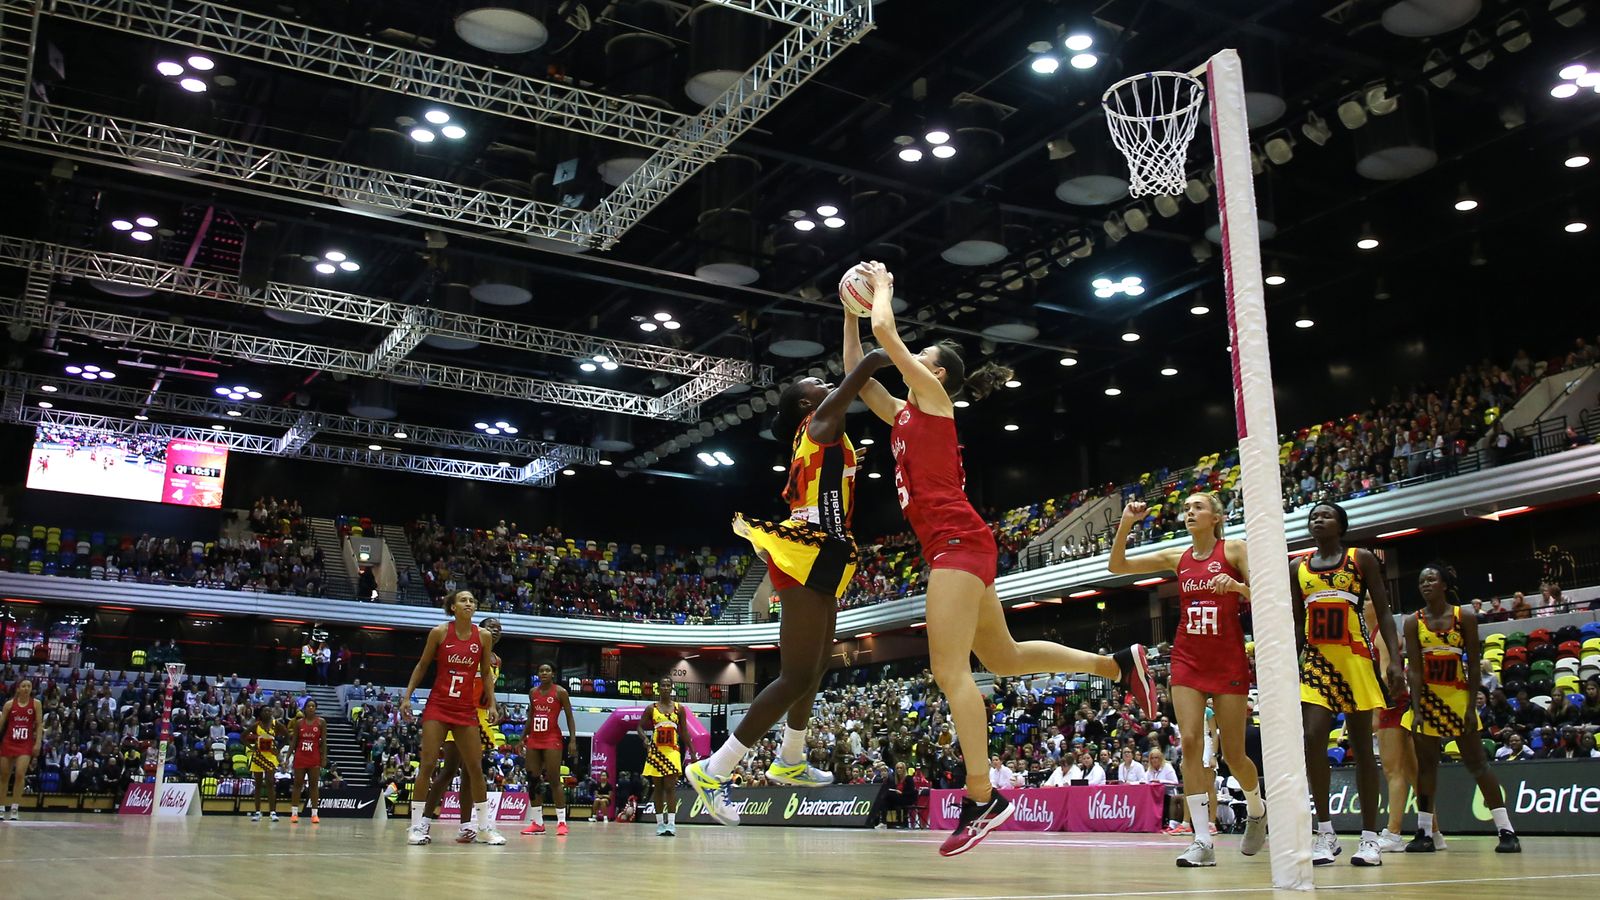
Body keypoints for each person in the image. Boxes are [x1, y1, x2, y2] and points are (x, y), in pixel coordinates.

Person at [845, 260, 1156, 857]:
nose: (913, 359)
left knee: (949, 672)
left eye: (922, 355)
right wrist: (847, 312)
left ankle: (982, 794)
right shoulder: (905, 415)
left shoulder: (934, 397)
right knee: (1003, 655)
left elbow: (887, 338)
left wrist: (883, 289)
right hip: (962, 542)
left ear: (934, 372)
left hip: (957, 543)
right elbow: (860, 375)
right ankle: (1115, 665)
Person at [687, 346, 894, 825]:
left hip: (828, 550)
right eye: (818, 387)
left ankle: (791, 758)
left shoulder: (820, 434)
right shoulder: (822, 422)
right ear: (808, 405)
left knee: (817, 666)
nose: (826, 386)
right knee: (795, 674)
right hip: (807, 549)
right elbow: (853, 381)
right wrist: (882, 353)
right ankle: (715, 769)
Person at [1108, 494, 1268, 867]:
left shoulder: (1235, 549)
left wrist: (1240, 590)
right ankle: (1201, 841)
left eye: (1198, 507)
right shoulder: (1176, 557)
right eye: (1187, 508)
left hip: (1227, 659)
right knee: (1191, 742)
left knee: (1233, 753)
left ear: (1216, 517)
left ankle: (1258, 809)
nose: (1190, 512)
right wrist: (1127, 524)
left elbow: (1271, 596)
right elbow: (1117, 565)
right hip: (1187, 660)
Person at [1292, 501, 1404, 867]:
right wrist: (1288, 667)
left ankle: (1370, 837)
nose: (1317, 519)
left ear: (1341, 524)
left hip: (1356, 661)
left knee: (1360, 747)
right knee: (1312, 738)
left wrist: (1396, 661)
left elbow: (1384, 611)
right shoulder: (1298, 567)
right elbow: (1296, 624)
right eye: (1313, 516)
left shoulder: (1361, 558)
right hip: (1316, 664)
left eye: (1325, 515)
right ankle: (1325, 831)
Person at [1404, 562, 1520, 854]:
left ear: (1444, 584)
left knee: (1477, 764)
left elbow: (1473, 666)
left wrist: (1471, 707)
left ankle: (1506, 831)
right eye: (1422, 581)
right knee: (1426, 768)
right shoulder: (1412, 621)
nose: (1426, 584)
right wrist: (1416, 709)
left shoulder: (1464, 616)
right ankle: (1423, 833)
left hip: (1458, 699)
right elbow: (1415, 670)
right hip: (1427, 701)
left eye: (1431, 579)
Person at [402, 590, 502, 846]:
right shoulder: (439, 632)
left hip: (465, 709)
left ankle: (483, 827)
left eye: (472, 601)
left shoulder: (484, 636)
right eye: (463, 600)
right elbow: (422, 665)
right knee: (427, 765)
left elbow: (486, 674)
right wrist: (407, 697)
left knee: (475, 768)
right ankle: (417, 826)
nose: (468, 603)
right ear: (453, 607)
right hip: (439, 705)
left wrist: (491, 703)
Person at [1366, 596, 1441, 852]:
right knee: (1412, 772)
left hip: (1392, 705)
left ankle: (1394, 833)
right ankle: (1435, 832)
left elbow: (1388, 678)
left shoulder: (1379, 636)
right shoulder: (1379, 633)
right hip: (1400, 705)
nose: (1363, 604)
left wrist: (1375, 708)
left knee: (1392, 771)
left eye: (1367, 600)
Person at [424, 617, 505, 841]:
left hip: (479, 718)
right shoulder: (470, 651)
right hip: (458, 713)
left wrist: (493, 705)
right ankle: (425, 821)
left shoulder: (496, 660)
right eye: (491, 627)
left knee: (472, 772)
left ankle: (467, 826)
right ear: (481, 629)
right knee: (449, 770)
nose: (495, 631)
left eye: (499, 629)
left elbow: (488, 685)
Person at [522, 662, 577, 836]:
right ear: (538, 673)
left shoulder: (560, 692)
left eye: (547, 670)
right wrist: (522, 736)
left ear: (553, 673)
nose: (544, 673)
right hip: (534, 739)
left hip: (552, 738)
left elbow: (569, 716)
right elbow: (531, 716)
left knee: (554, 780)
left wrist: (573, 740)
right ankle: (537, 823)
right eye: (541, 670)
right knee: (533, 780)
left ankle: (561, 822)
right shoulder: (533, 692)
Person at [639, 676, 688, 836]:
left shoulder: (679, 709)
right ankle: (660, 824)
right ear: (658, 688)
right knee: (658, 788)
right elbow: (639, 727)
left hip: (672, 751)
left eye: (668, 685)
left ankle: (671, 824)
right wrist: (645, 738)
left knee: (670, 788)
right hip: (656, 751)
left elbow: (684, 732)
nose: (666, 688)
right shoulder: (651, 708)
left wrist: (693, 751)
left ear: (672, 688)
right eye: (663, 685)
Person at [0, 679, 41, 820]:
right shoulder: (9, 705)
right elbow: (1, 724)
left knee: (19, 774)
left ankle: (14, 808)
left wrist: (38, 743)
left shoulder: (36, 704)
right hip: (9, 741)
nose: (26, 688)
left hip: (25, 743)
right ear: (18, 689)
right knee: (4, 775)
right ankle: (1, 807)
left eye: (28, 686)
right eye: (23, 686)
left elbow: (39, 725)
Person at [289, 699, 325, 824]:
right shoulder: (299, 723)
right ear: (305, 708)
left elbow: (324, 742)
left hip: (314, 756)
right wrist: (288, 756)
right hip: (300, 756)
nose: (311, 708)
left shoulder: (321, 722)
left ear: (316, 708)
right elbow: (294, 741)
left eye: (313, 706)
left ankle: (314, 814)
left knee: (314, 785)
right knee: (298, 784)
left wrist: (323, 758)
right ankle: (294, 813)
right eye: (309, 706)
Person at [246, 704, 283, 823]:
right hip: (258, 756)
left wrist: (279, 748)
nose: (267, 712)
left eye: (269, 710)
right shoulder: (256, 725)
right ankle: (257, 812)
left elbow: (287, 735)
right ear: (261, 713)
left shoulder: (275, 724)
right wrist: (251, 748)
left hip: (271, 756)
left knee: (270, 783)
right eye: (265, 711)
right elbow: (243, 737)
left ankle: (273, 812)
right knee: (257, 785)